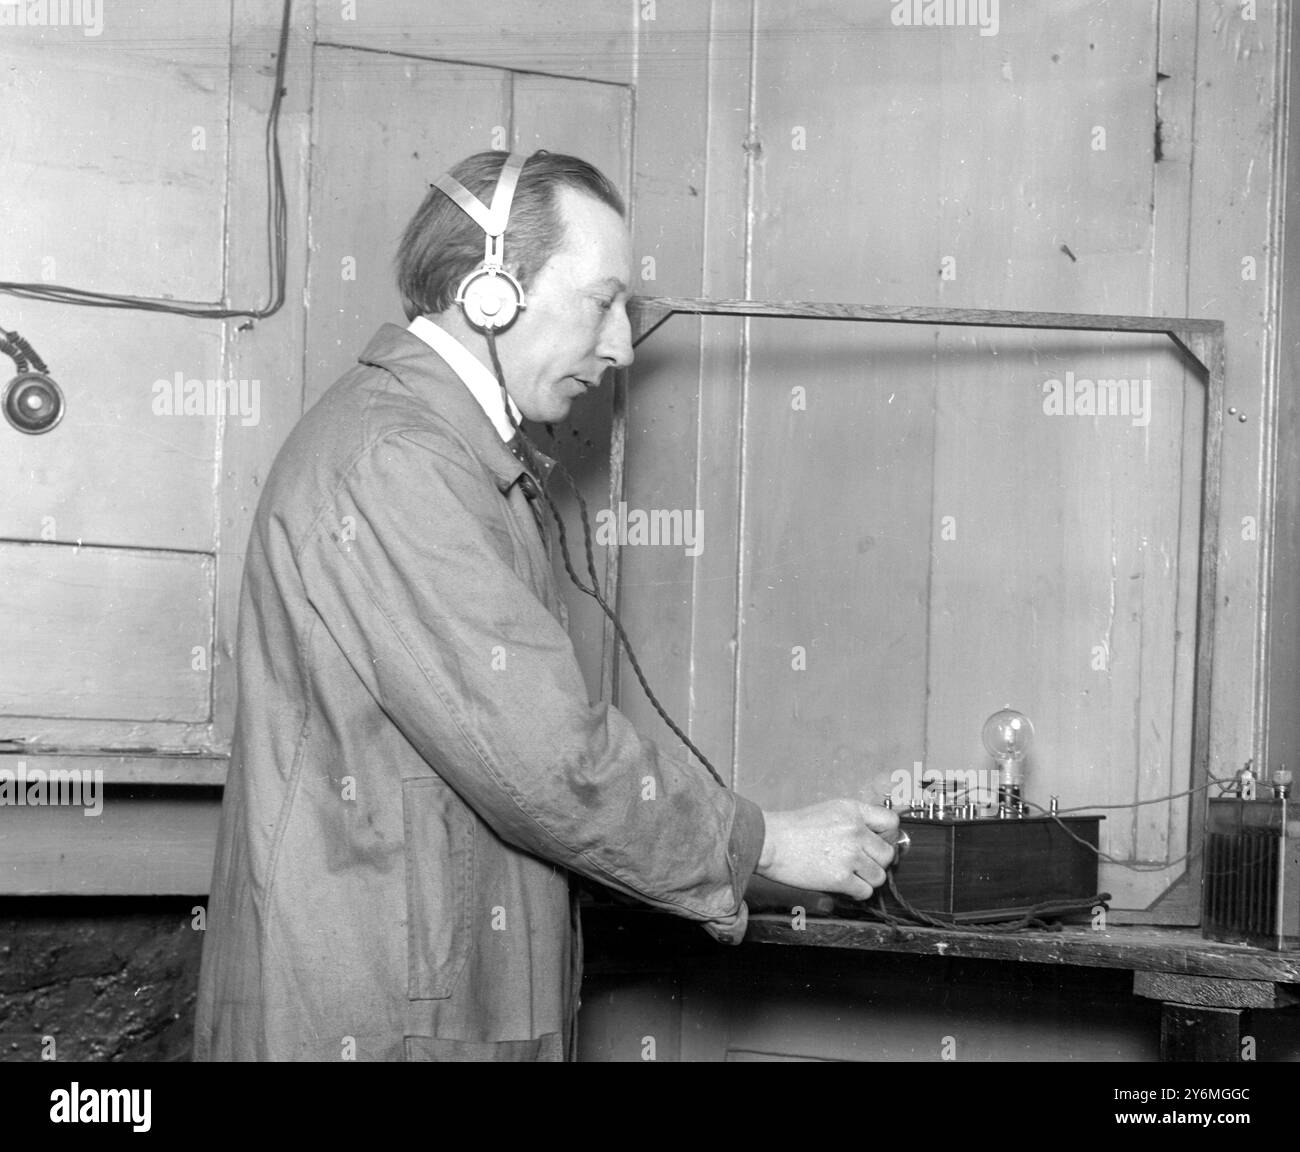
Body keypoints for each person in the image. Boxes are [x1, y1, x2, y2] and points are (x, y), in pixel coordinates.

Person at [193, 150, 899, 1062]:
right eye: (603, 302)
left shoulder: (444, 455)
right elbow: (545, 758)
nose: (620, 347)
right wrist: (762, 843)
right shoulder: (397, 464)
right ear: (491, 291)